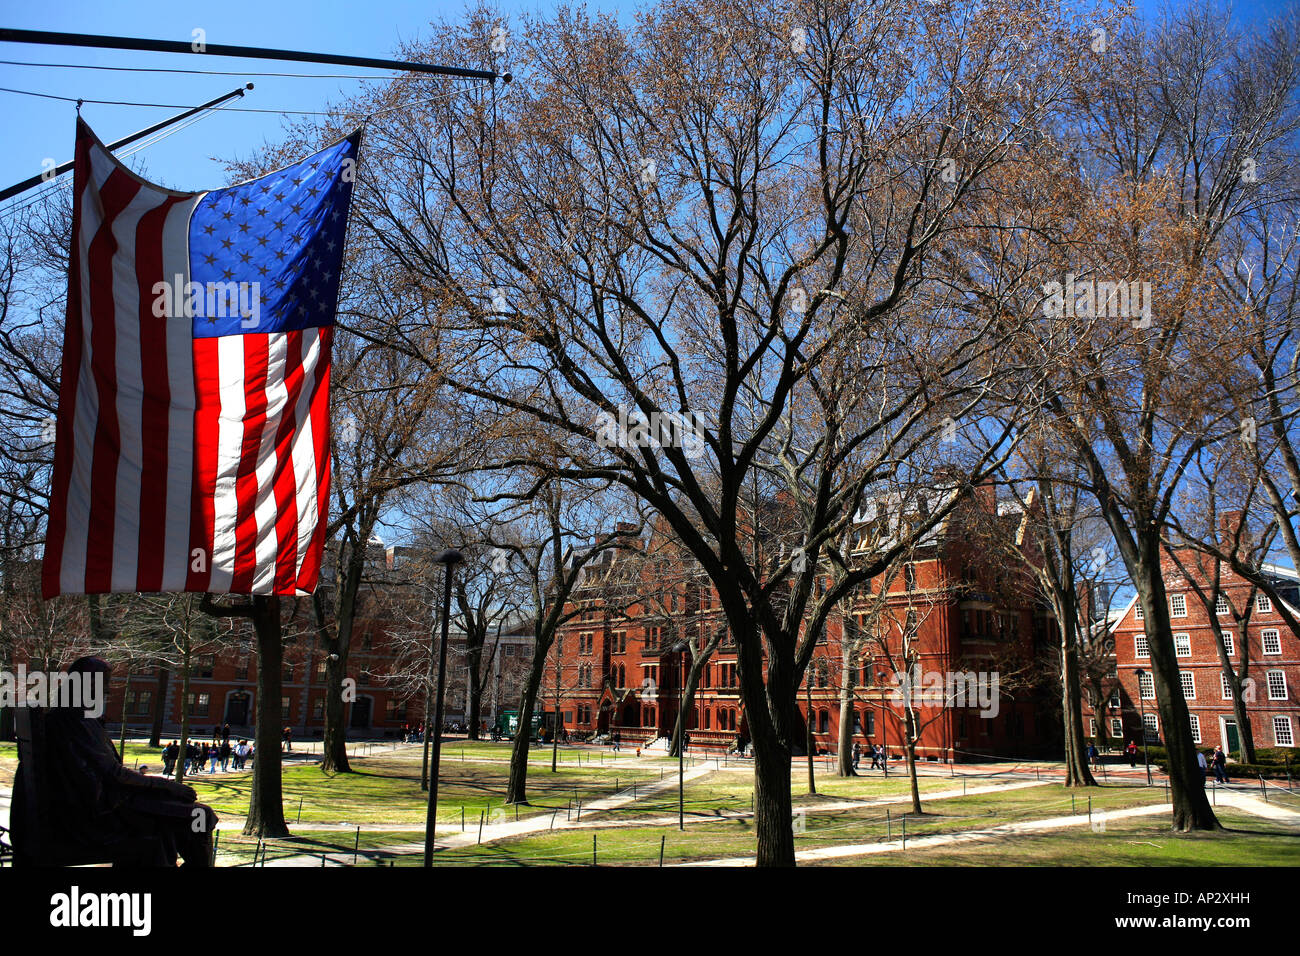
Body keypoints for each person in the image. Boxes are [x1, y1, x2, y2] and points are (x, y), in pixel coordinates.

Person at [12, 657, 217, 866]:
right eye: (104, 684)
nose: (108, 691)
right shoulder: (78, 720)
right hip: (97, 816)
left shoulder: (68, 717)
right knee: (200, 815)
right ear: (88, 683)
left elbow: (106, 773)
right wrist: (168, 786)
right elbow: (113, 774)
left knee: (175, 823)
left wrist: (161, 789)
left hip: (93, 807)